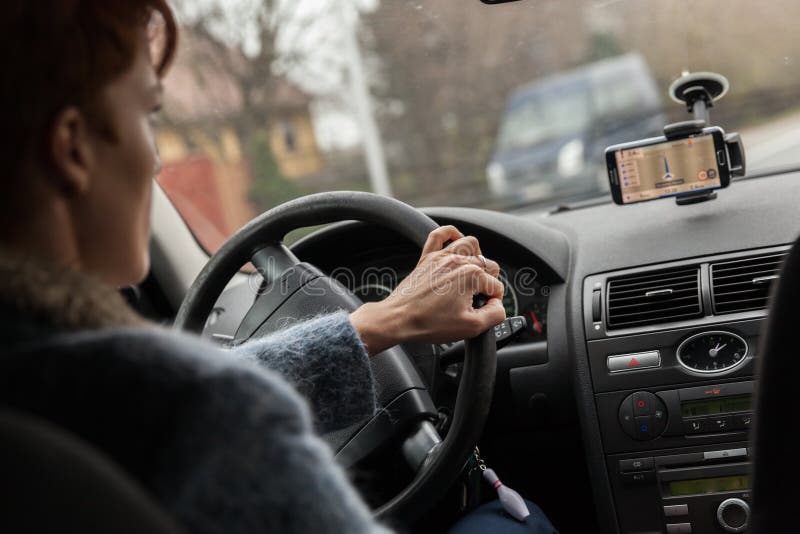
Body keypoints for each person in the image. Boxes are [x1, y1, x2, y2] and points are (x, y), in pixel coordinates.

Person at [0, 1, 558, 533]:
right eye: (148, 114)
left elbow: (156, 400)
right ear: (72, 149)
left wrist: (385, 322)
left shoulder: (45, 391)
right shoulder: (216, 425)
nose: (154, 159)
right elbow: (198, 400)